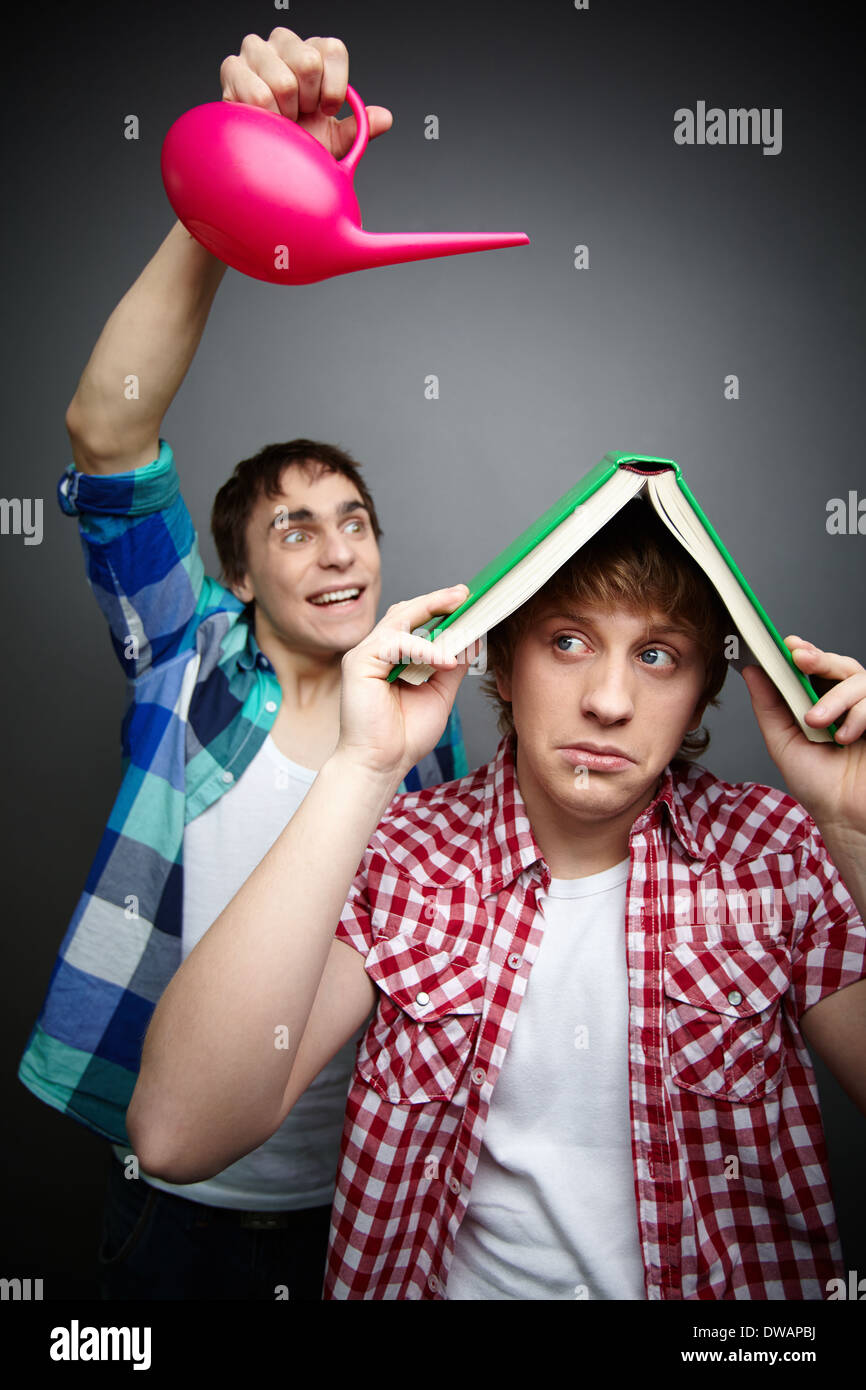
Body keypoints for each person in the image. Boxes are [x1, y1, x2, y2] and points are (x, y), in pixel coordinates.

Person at [128, 496, 866, 1301]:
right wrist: (362, 766)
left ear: (701, 693)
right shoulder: (407, 855)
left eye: (658, 656)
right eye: (569, 641)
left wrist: (855, 831)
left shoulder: (777, 852)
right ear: (505, 667)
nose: (609, 701)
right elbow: (176, 1135)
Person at [17, 29, 466, 1301]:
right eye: (294, 527)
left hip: (364, 1203)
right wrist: (237, 196)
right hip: (173, 1207)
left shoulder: (424, 727)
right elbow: (108, 425)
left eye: (354, 520)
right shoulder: (188, 654)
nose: (337, 553)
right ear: (241, 571)